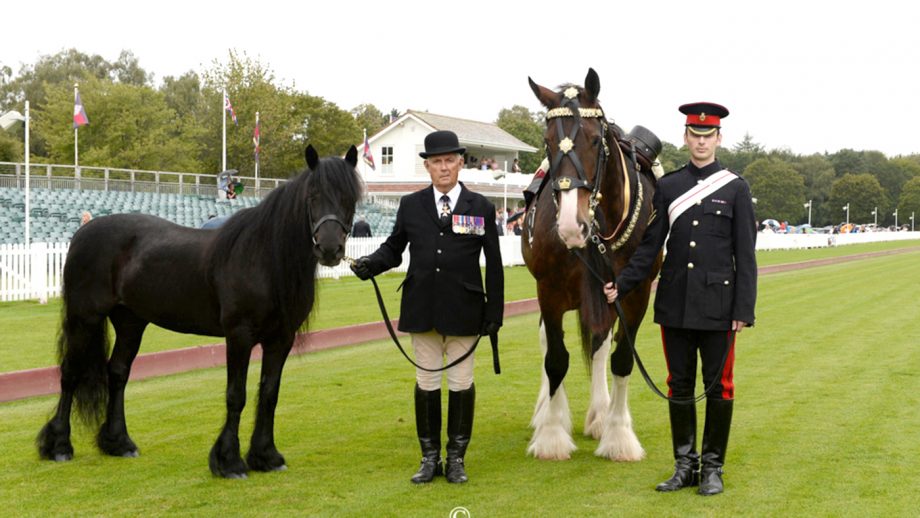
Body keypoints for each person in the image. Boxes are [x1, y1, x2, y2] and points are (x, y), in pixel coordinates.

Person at [604, 102, 757, 496]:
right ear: (686, 137)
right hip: (675, 303)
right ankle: (685, 466)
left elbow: (746, 255)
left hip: (720, 308)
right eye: (695, 134)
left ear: (718, 139)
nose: (701, 141)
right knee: (679, 385)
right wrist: (621, 284)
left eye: (708, 136)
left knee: (719, 386)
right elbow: (649, 246)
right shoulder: (669, 186)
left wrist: (743, 309)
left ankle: (712, 469)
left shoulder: (735, 187)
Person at [351, 130, 504, 485]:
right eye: (437, 162)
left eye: (450, 160)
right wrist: (370, 264)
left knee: (461, 383)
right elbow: (393, 248)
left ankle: (456, 459)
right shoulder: (411, 205)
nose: (444, 167)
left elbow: (493, 265)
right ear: (427, 167)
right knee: (427, 382)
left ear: (460, 163)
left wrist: (493, 314)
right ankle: (429, 457)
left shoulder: (480, 207)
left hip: (465, 310)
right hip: (423, 307)